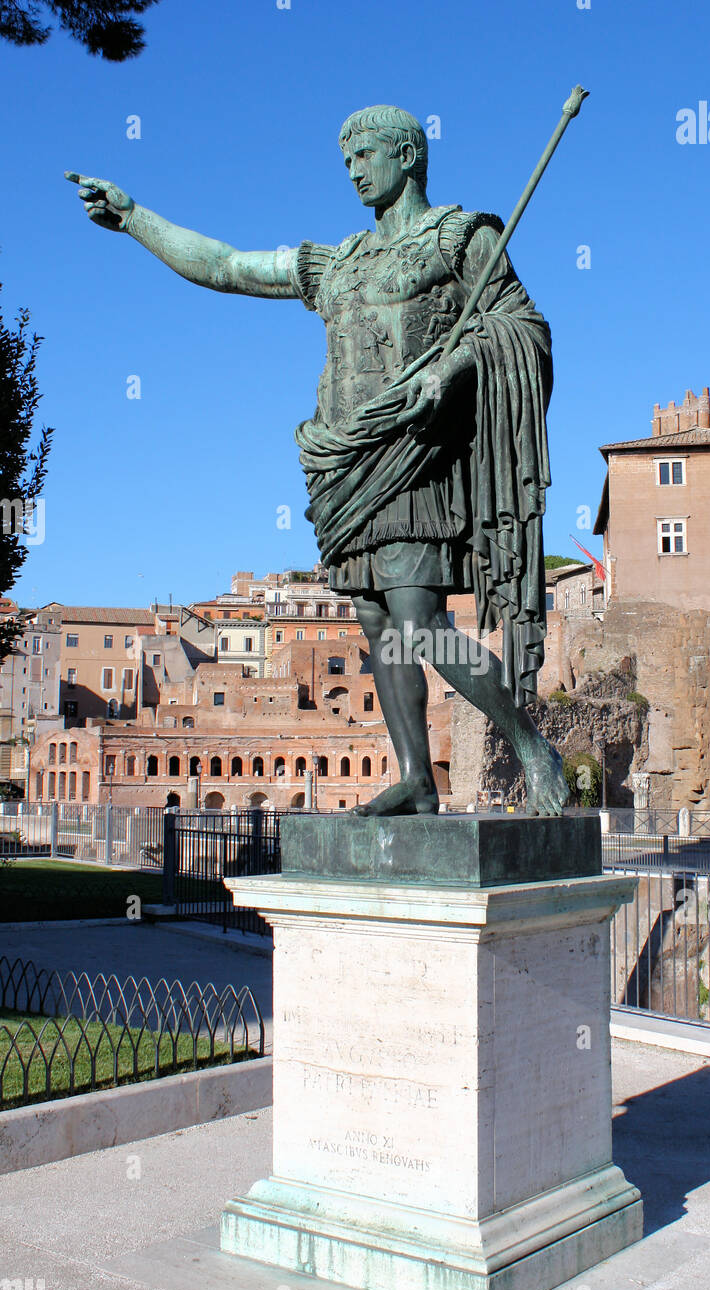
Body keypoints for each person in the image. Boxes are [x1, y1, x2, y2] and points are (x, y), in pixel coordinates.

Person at [66, 105, 569, 816]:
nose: (355, 170)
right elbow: (223, 266)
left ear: (408, 156)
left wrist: (452, 368)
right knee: (378, 629)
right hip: (344, 466)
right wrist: (134, 218)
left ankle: (529, 744)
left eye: (366, 154)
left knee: (420, 624)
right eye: (347, 161)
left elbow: (523, 327)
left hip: (413, 458)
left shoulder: (461, 238)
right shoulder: (337, 265)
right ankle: (416, 779)